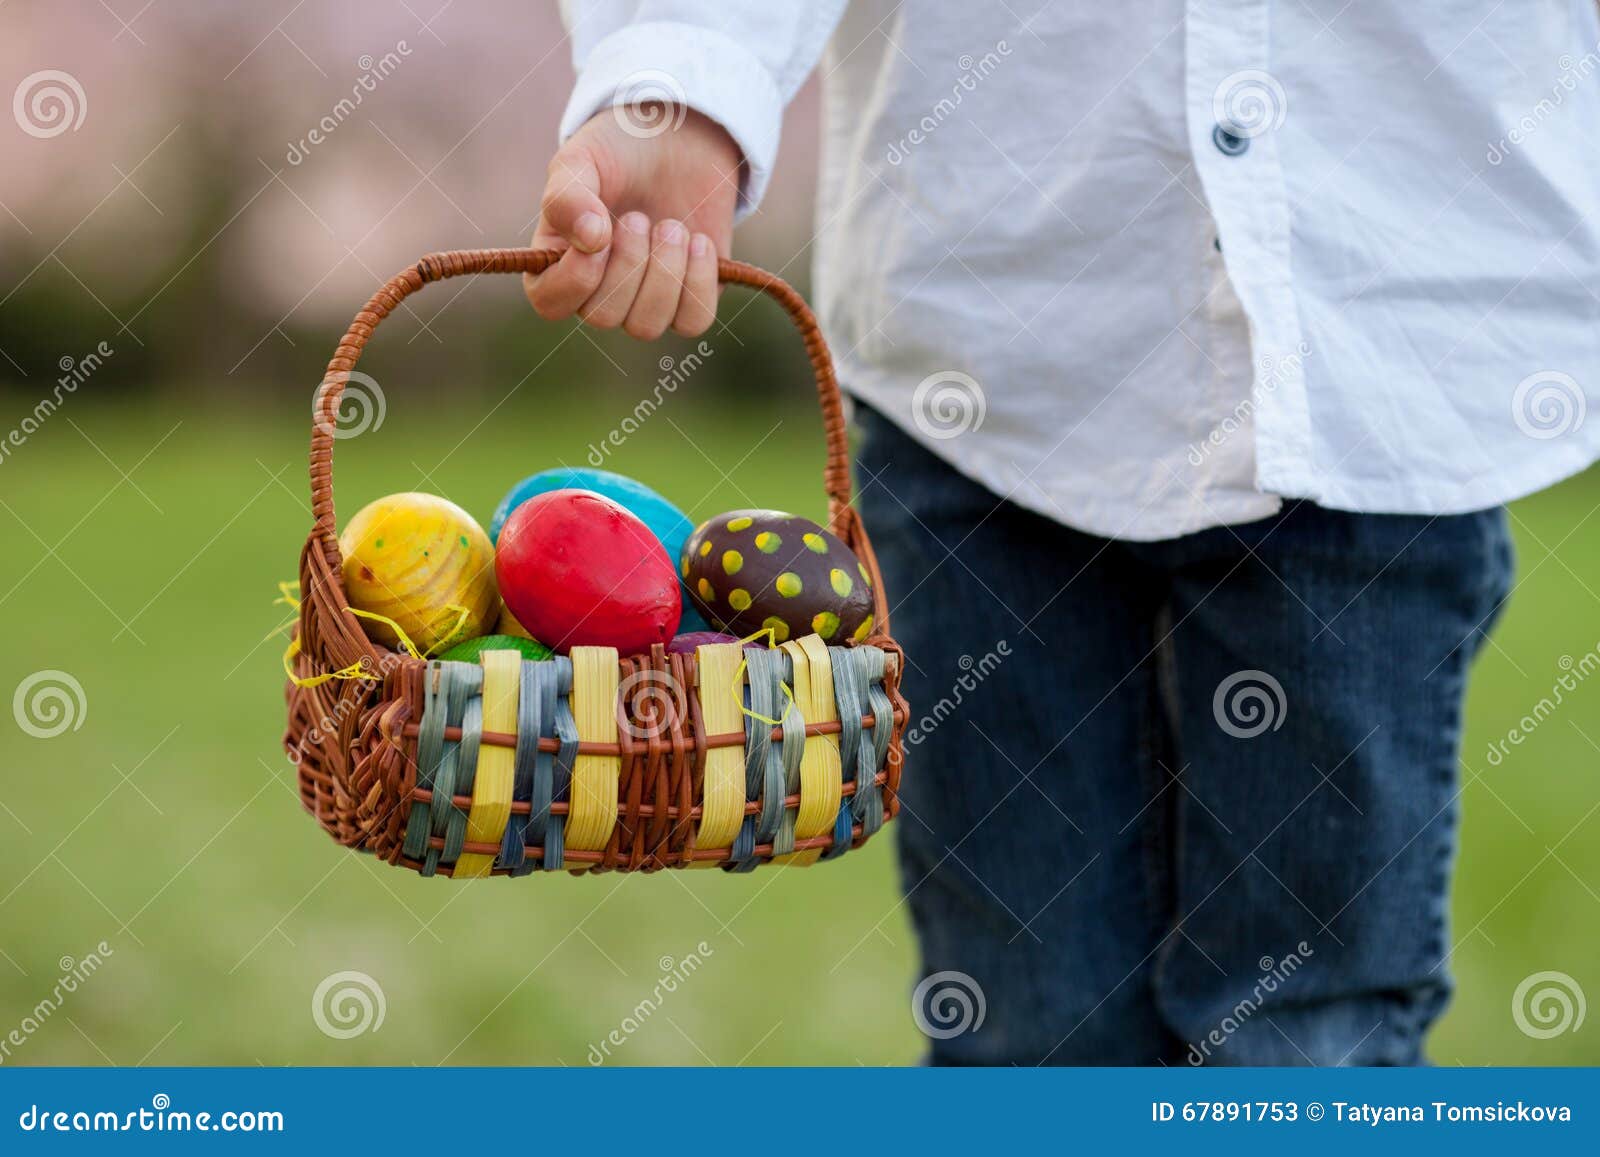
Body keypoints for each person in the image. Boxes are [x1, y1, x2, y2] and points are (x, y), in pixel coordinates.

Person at [526, 2, 1600, 1065]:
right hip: (987, 352)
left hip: (1375, 338)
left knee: (1308, 1039)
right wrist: (679, 77)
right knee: (1028, 1025)